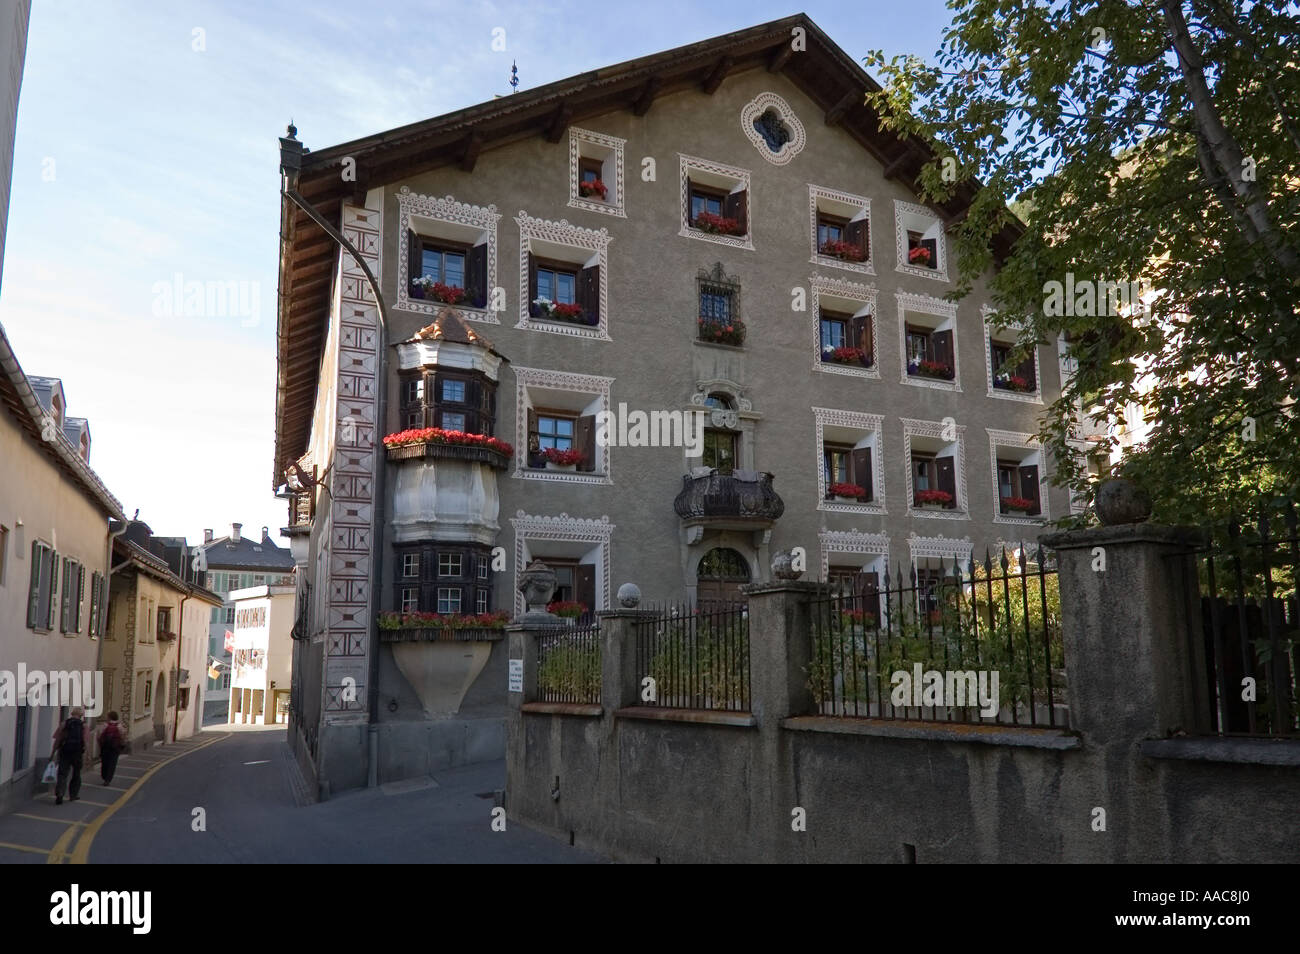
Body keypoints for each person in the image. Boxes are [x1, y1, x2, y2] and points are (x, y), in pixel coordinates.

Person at [51, 708, 90, 805]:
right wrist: (87, 755)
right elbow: (85, 741)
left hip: (65, 751)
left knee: (62, 773)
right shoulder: (84, 726)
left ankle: (60, 792)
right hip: (77, 753)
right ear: (81, 715)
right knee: (76, 774)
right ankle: (73, 795)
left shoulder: (64, 724)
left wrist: (52, 753)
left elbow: (58, 740)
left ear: (72, 714)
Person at [97, 711, 124, 785]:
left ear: (109, 717)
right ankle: (108, 779)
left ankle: (104, 776)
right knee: (112, 763)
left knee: (105, 762)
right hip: (115, 748)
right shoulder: (119, 726)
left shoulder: (105, 725)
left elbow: (99, 736)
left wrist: (100, 745)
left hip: (105, 747)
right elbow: (122, 736)